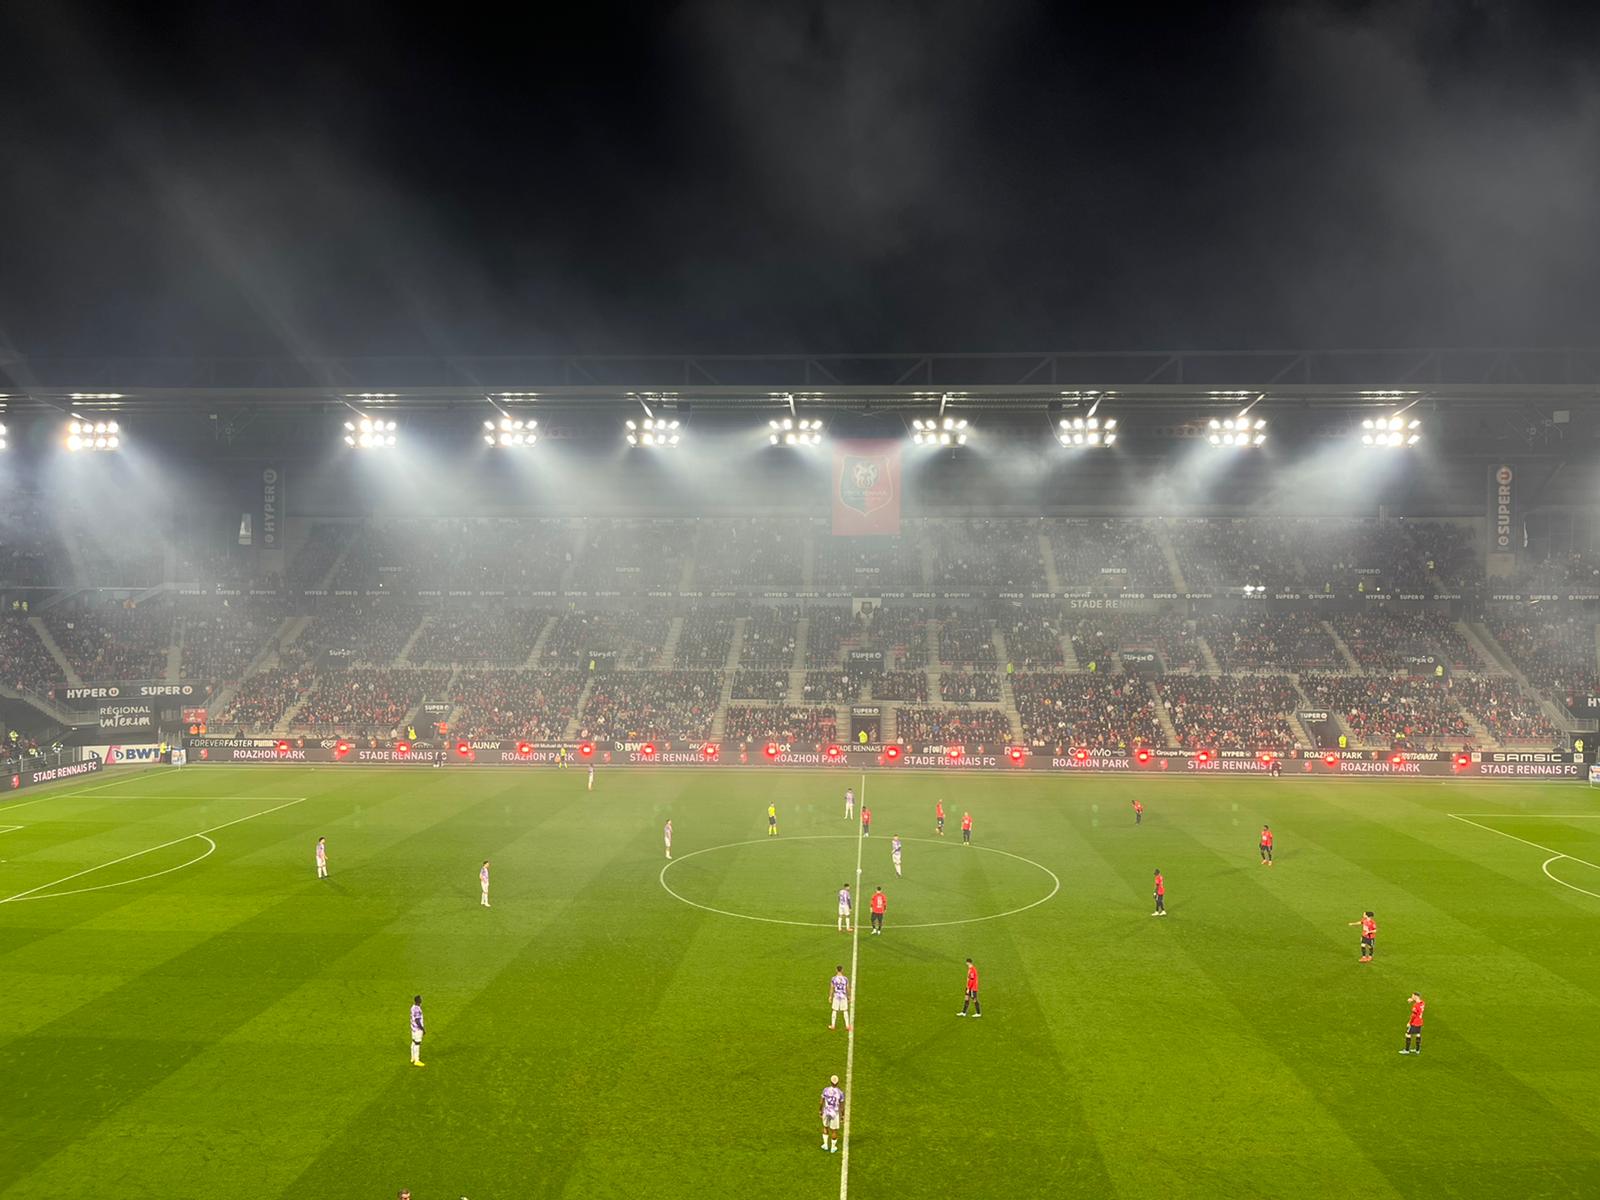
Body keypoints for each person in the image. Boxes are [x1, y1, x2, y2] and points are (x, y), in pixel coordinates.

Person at [819, 1075, 844, 1153]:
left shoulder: (825, 1090)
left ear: (830, 1082)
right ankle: (833, 1148)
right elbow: (842, 1106)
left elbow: (821, 1102)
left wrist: (820, 1110)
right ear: (837, 1083)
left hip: (826, 1111)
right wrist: (842, 1115)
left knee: (825, 1127)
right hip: (835, 1113)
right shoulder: (840, 1093)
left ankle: (825, 1145)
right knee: (834, 1131)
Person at [828, 965, 851, 1031]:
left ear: (836, 970)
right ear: (842, 970)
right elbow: (848, 988)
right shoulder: (845, 979)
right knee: (845, 1010)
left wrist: (830, 996)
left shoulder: (833, 978)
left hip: (836, 996)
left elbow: (832, 988)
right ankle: (847, 1026)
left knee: (834, 1010)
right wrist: (849, 996)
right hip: (843, 996)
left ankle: (833, 1025)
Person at [409, 995, 426, 1067]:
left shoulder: (413, 1007)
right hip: (417, 1030)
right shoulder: (417, 1009)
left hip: (413, 1028)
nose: (422, 1000)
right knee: (417, 1044)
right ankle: (417, 1060)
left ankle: (412, 1058)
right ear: (418, 1001)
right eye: (421, 999)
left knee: (413, 1042)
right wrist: (423, 1029)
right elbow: (417, 1020)